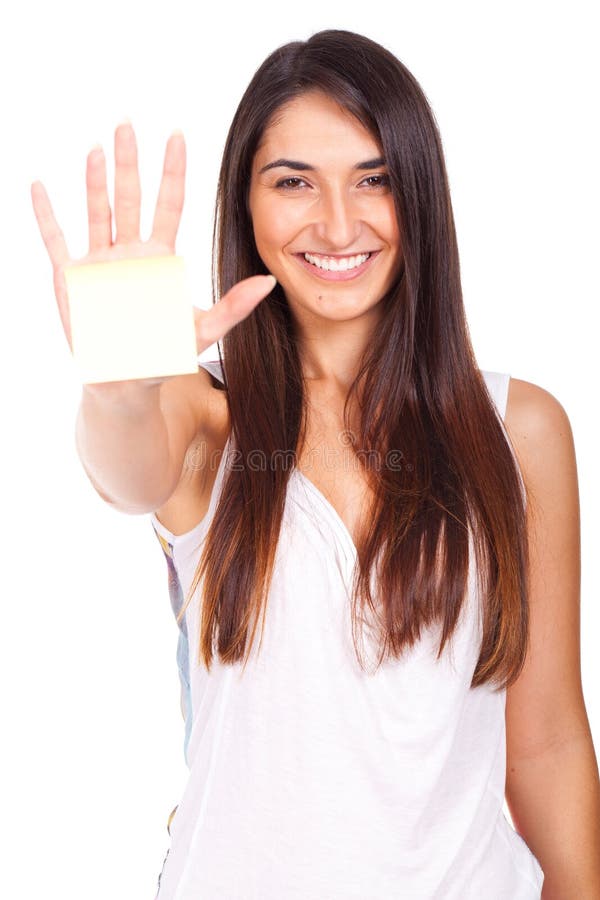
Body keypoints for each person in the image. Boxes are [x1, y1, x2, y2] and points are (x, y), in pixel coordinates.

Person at [31, 27, 600, 900]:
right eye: (293, 182)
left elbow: (550, 737)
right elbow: (126, 469)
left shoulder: (518, 429)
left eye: (373, 179)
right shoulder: (207, 416)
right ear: (246, 208)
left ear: (419, 194)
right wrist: (120, 385)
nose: (338, 223)